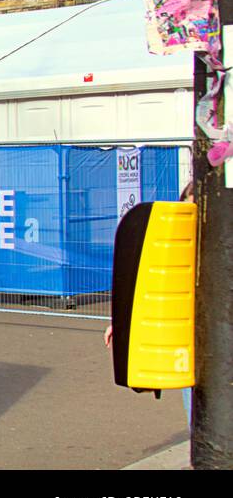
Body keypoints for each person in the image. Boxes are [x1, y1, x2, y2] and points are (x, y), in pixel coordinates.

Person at [104, 181, 194, 423]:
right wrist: (126, 328)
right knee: (197, 421)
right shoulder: (179, 252)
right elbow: (159, 293)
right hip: (191, 347)